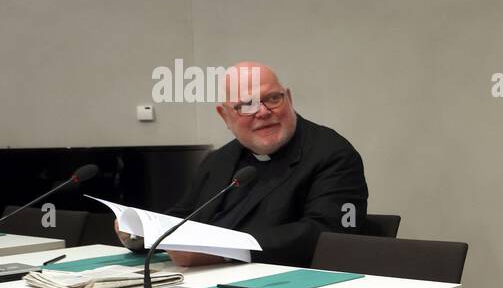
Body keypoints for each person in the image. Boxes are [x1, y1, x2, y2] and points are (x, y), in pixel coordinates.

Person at [117, 62, 369, 267]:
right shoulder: (220, 160)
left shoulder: (333, 154)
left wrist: (221, 252)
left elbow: (329, 234)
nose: (262, 111)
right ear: (224, 115)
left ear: (289, 98)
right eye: (245, 106)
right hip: (204, 281)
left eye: (272, 98)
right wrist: (141, 232)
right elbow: (184, 216)